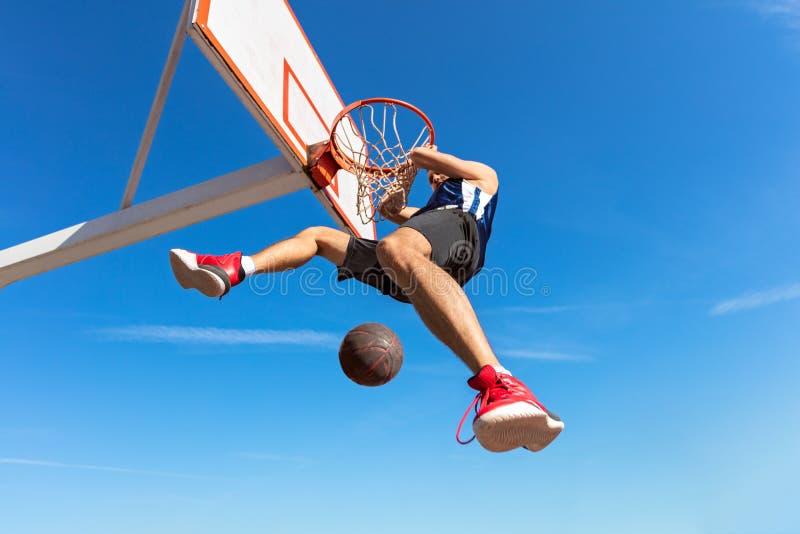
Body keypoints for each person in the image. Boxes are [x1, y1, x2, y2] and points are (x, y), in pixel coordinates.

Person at [169, 146, 564, 453]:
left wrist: (417, 160)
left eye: (438, 173)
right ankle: (234, 268)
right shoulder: (426, 211)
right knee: (321, 237)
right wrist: (398, 189)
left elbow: (423, 157)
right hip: (419, 262)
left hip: (460, 235)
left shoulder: (480, 180)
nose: (434, 176)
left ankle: (500, 380)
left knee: (397, 249)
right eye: (432, 177)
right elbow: (389, 209)